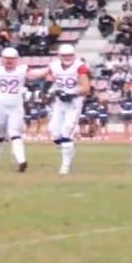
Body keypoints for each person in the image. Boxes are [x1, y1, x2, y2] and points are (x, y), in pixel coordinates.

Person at [0, 47, 45, 173]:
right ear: (2, 59)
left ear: (17, 60)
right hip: (0, 106)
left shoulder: (22, 70)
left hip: (15, 106)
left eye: (12, 59)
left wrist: (50, 69)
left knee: (14, 132)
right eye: (6, 58)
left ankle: (21, 160)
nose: (9, 61)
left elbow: (35, 75)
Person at [46, 44, 90, 175]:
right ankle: (68, 150)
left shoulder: (79, 67)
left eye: (69, 55)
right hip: (60, 102)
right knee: (54, 130)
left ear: (74, 55)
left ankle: (65, 165)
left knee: (66, 129)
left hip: (74, 102)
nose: (67, 58)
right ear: (59, 56)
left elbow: (86, 88)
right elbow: (49, 80)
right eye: (64, 55)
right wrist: (46, 91)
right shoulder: (54, 66)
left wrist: (72, 94)